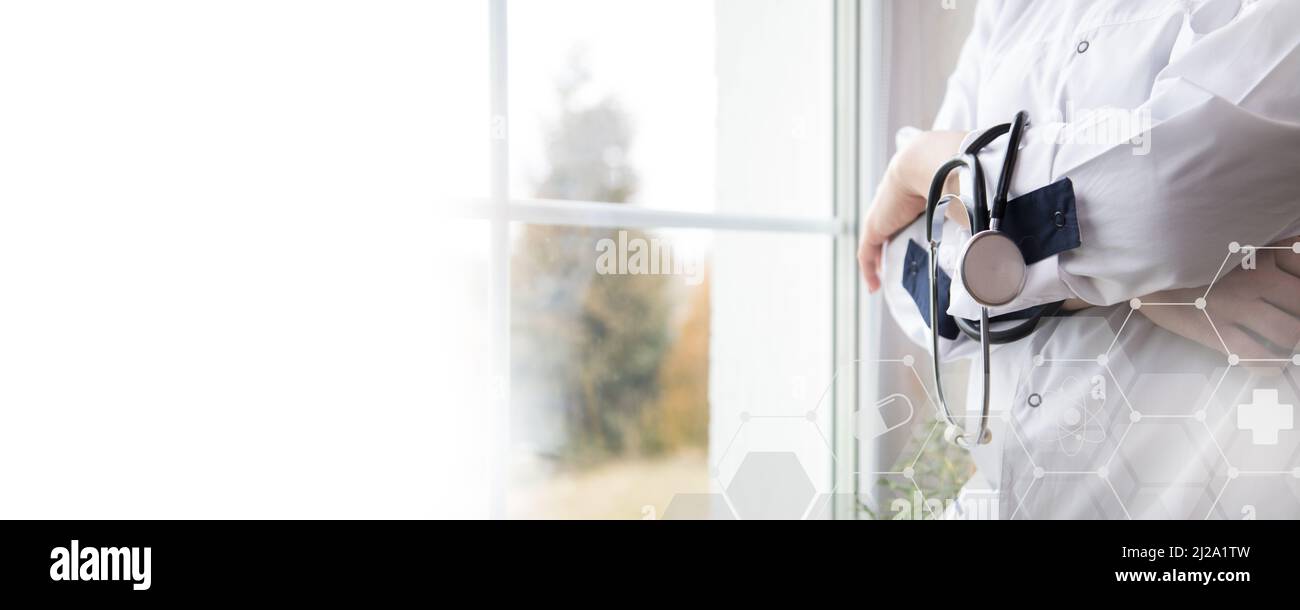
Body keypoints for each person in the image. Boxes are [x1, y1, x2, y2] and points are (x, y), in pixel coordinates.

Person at [860, 0, 1300, 519]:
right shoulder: (1007, 9)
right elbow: (916, 286)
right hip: (996, 501)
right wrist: (1152, 289)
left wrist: (924, 167)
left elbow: (1157, 208)